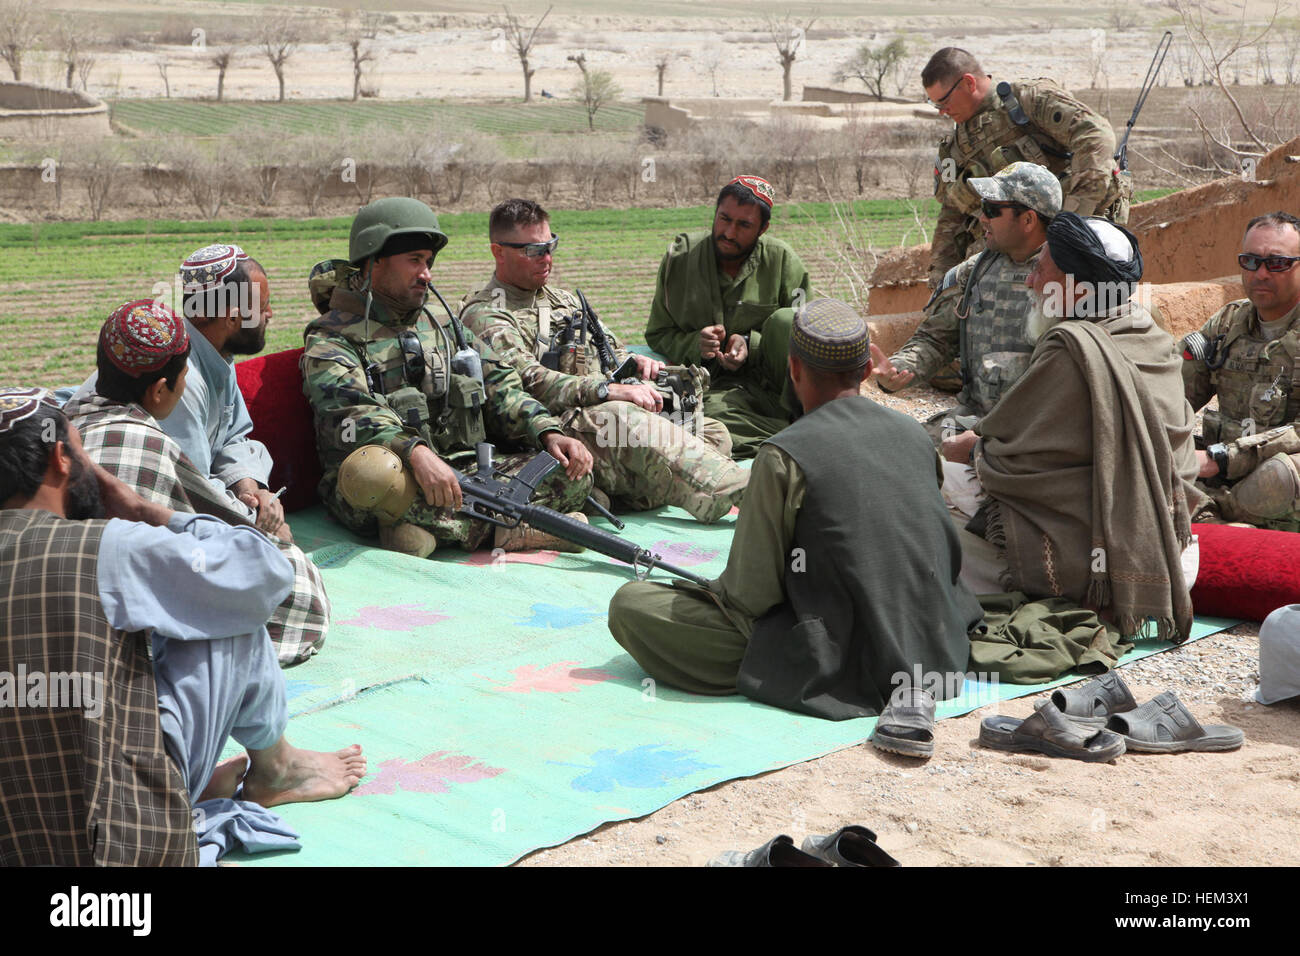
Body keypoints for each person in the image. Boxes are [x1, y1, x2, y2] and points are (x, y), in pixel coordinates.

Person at [0, 387, 365, 866]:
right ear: (61, 460)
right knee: (227, 606)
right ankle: (276, 770)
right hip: (123, 843)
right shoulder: (108, 545)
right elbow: (262, 571)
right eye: (82, 449)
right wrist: (143, 510)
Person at [607, 299, 982, 721]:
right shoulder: (913, 432)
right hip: (936, 640)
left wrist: (712, 593)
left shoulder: (784, 455)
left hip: (845, 654)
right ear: (864, 372)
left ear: (794, 369)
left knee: (632, 605)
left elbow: (752, 595)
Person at [941, 213, 1204, 642]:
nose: (1030, 284)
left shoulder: (1072, 351)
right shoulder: (1150, 335)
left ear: (1075, 289)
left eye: (1040, 270)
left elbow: (1007, 457)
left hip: (1109, 579)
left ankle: (992, 595)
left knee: (938, 484)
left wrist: (971, 450)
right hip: (1174, 563)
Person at [301, 197, 595, 558]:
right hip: (395, 478)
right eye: (414, 261)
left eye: (428, 261)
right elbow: (352, 413)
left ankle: (438, 534)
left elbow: (500, 385)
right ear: (374, 259)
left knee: (568, 471)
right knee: (372, 476)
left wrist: (546, 430)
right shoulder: (331, 338)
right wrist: (416, 453)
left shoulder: (442, 325)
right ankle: (525, 526)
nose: (426, 274)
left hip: (462, 470)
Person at [64, 299, 330, 666]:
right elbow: (213, 519)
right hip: (122, 600)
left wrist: (246, 484)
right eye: (183, 376)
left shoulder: (74, 419)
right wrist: (264, 529)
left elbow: (233, 436)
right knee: (292, 578)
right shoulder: (152, 445)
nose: (268, 313)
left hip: (69, 591)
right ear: (159, 391)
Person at [458, 198, 748, 524]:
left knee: (713, 433)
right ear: (499, 252)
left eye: (551, 245)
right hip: (551, 432)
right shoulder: (485, 314)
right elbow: (530, 382)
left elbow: (612, 349)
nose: (548, 258)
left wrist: (636, 364)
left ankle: (612, 493)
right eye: (534, 250)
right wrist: (607, 390)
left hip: (596, 421)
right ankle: (740, 491)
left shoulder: (563, 301)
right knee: (621, 418)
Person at [873, 162, 1061, 442]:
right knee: (904, 453)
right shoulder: (973, 272)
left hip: (1041, 430)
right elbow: (936, 339)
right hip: (975, 419)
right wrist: (901, 368)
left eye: (991, 210)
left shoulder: (1071, 277)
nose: (981, 219)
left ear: (1029, 220)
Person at [922, 46, 1125, 288]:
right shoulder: (956, 146)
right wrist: (941, 278)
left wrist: (1071, 222)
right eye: (935, 104)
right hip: (1005, 255)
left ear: (968, 82)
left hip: (1071, 238)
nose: (941, 112)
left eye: (943, 101)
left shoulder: (1026, 100)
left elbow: (1095, 135)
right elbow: (952, 213)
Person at [644, 175, 812, 459]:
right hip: (711, 389)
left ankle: (794, 424)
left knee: (790, 319)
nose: (730, 233)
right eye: (724, 219)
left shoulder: (782, 260)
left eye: (744, 225)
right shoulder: (681, 258)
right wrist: (694, 344)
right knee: (702, 419)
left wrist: (751, 342)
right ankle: (795, 438)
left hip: (774, 387)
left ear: (763, 228)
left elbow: (808, 336)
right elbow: (658, 333)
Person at [1181, 212, 1300, 531]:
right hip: (1219, 476)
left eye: (1277, 263)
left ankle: (1224, 521)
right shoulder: (1227, 324)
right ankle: (1214, 520)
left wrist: (1222, 457)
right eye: (1250, 261)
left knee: (1285, 472)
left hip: (1274, 481)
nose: (1260, 273)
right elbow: (1173, 400)